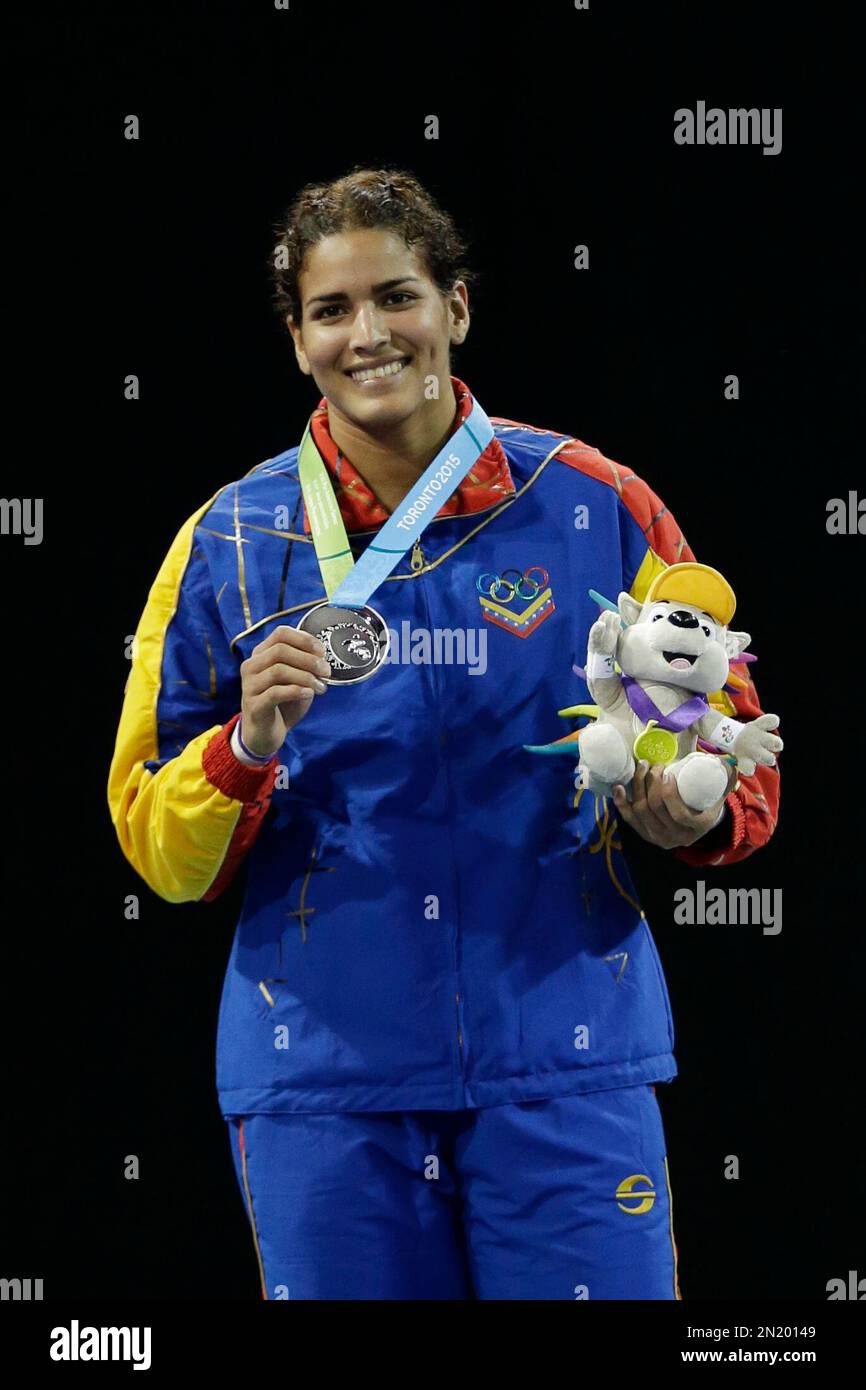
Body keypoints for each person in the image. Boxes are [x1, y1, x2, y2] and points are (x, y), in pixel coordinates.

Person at [107, 166, 780, 1300]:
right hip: (325, 1083)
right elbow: (152, 844)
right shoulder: (228, 540)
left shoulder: (592, 500)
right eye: (331, 310)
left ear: (454, 309)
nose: (367, 334)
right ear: (296, 338)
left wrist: (686, 809)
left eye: (397, 297)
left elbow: (738, 761)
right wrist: (244, 746)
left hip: (562, 1067)